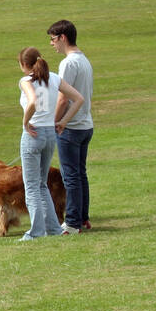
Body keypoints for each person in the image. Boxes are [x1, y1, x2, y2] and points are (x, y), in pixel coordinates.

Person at [17, 47, 84, 241]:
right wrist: (63, 121)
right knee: (41, 184)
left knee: (31, 186)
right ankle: (53, 228)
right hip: (49, 133)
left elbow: (33, 101)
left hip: (33, 132)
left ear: (24, 65)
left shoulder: (26, 80)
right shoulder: (53, 78)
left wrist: (25, 122)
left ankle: (35, 231)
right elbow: (78, 99)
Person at [47, 19, 94, 232]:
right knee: (80, 173)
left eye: (53, 39)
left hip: (71, 127)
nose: (52, 44)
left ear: (63, 38)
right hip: (85, 124)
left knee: (71, 176)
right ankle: (83, 217)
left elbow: (63, 98)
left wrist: (54, 122)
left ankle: (73, 222)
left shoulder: (68, 63)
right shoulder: (84, 60)